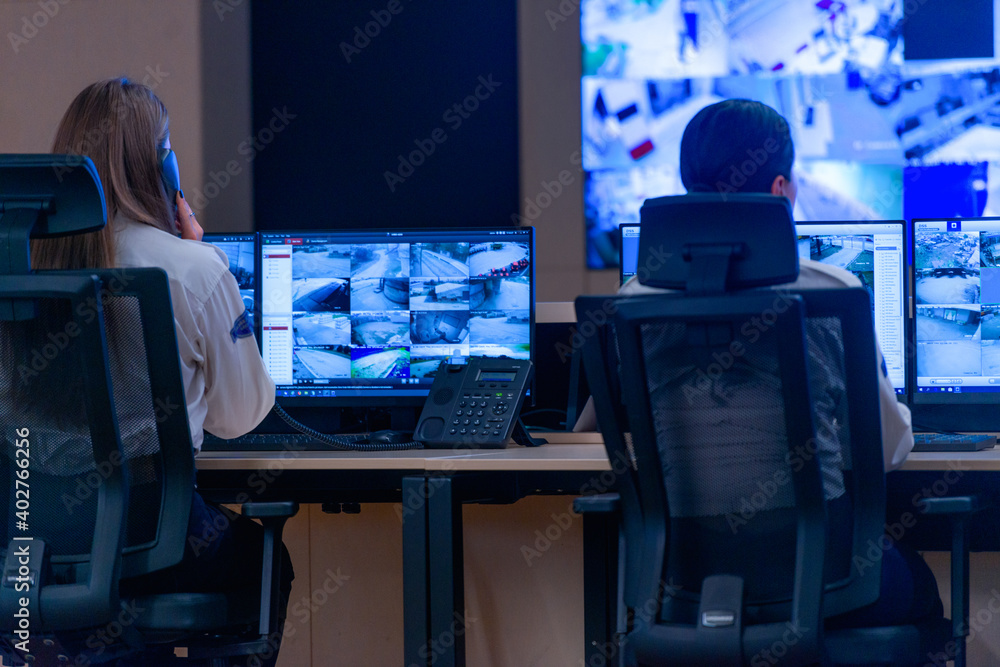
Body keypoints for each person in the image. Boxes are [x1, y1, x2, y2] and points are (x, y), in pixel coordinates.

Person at [579, 98, 941, 629]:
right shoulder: (832, 292)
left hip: (682, 584)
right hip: (823, 583)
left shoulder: (633, 303)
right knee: (920, 590)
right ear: (778, 189)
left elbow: (592, 428)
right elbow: (887, 451)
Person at [32, 77, 292, 665]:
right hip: (152, 538)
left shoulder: (20, 266)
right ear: (160, 165)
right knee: (261, 559)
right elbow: (238, 417)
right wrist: (203, 259)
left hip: (35, 541)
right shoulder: (191, 267)